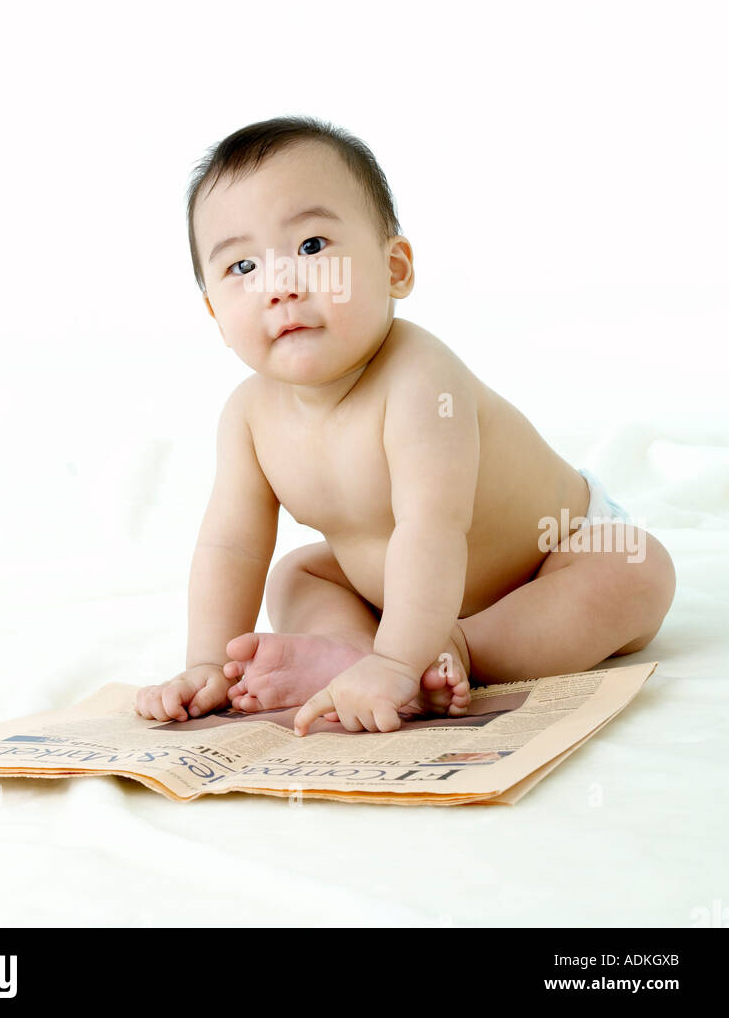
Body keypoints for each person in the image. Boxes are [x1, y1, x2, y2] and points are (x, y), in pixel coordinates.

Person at [135, 117, 676, 737]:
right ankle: (355, 660)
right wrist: (206, 662)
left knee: (636, 569)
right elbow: (230, 547)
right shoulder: (248, 417)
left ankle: (442, 656)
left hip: (547, 562)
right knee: (298, 574)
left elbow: (432, 527)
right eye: (241, 268)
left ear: (395, 268)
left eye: (311, 247)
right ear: (213, 312)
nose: (280, 285)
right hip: (400, 600)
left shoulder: (420, 380)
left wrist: (402, 658)